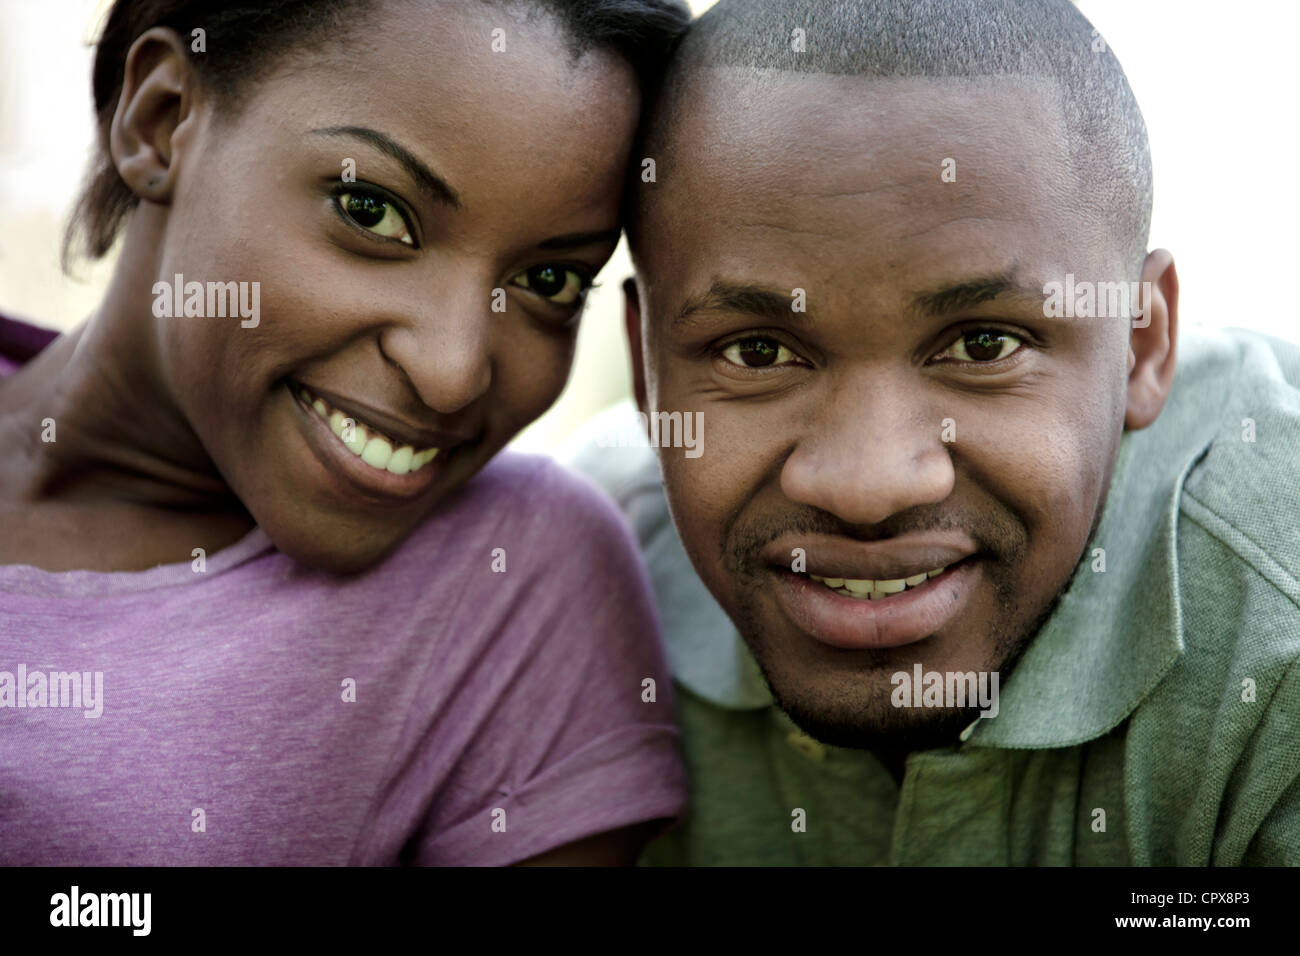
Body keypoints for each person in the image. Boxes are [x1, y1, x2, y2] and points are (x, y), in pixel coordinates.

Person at [571, 0, 1300, 864]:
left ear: (1142, 346)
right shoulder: (582, 593)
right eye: (758, 351)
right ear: (647, 371)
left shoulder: (1275, 646)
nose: (870, 485)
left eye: (983, 345)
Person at [0, 0, 690, 865]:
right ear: (162, 120)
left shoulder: (515, 582)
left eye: (549, 279)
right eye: (371, 211)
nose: (452, 370)